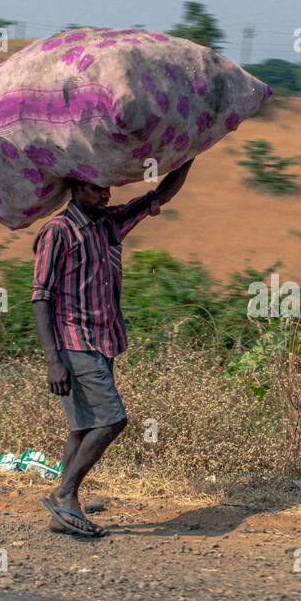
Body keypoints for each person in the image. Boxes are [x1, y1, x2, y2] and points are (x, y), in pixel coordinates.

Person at [31, 162, 193, 535]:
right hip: (73, 343)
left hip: (104, 341)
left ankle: (63, 510)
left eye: (107, 189)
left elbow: (160, 196)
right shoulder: (57, 232)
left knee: (81, 427)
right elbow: (40, 297)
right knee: (111, 419)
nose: (105, 195)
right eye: (95, 189)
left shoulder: (110, 222)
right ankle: (66, 494)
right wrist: (52, 360)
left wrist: (190, 152)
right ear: (75, 188)